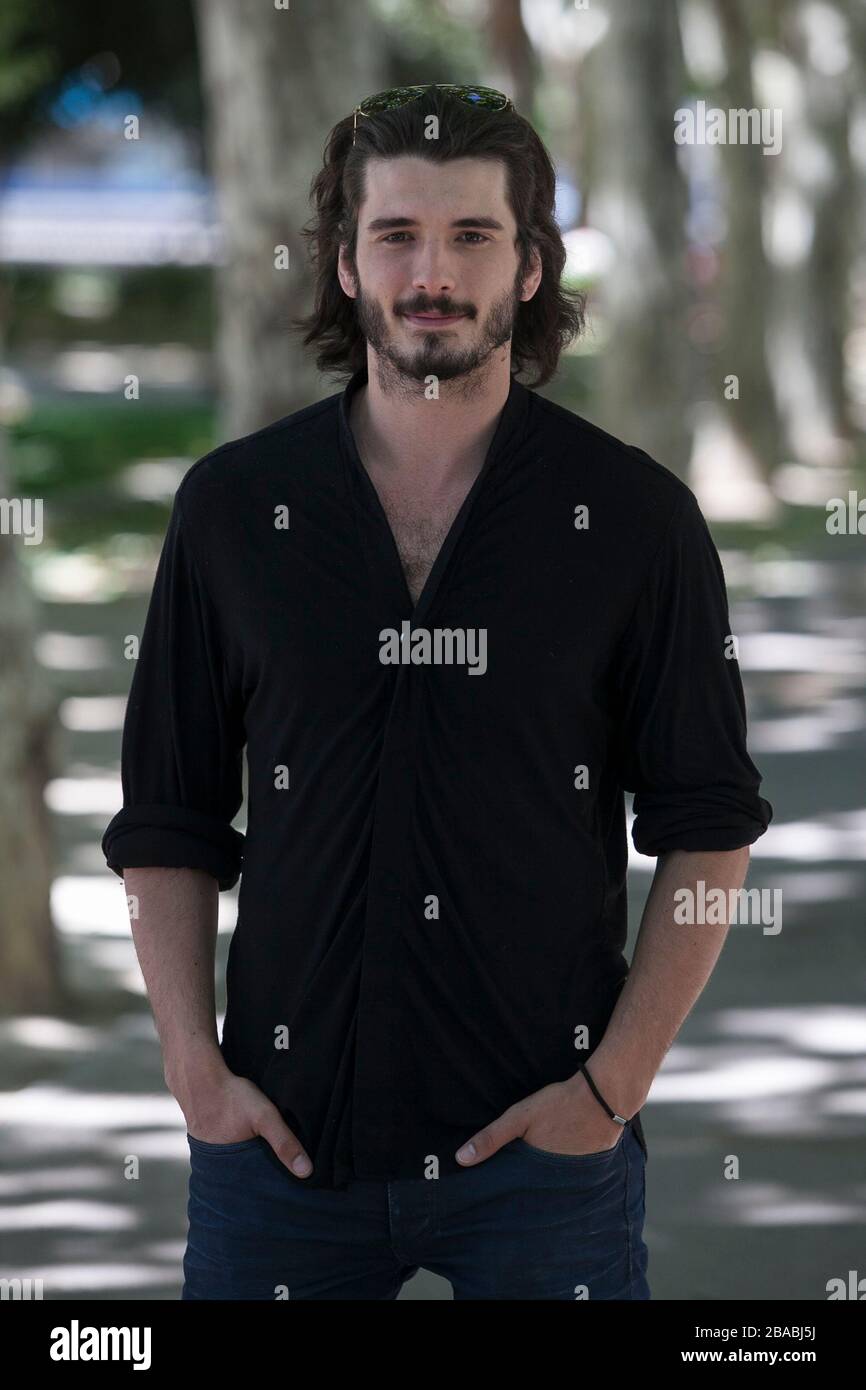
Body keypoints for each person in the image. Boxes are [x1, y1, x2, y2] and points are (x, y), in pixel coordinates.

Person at [101, 84, 772, 1300]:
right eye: (395, 235)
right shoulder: (233, 510)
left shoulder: (631, 519)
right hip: (280, 1150)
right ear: (345, 265)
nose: (432, 272)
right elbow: (167, 823)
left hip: (545, 1155)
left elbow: (706, 828)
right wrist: (195, 1073)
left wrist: (610, 1087)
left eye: (472, 235)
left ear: (528, 268)